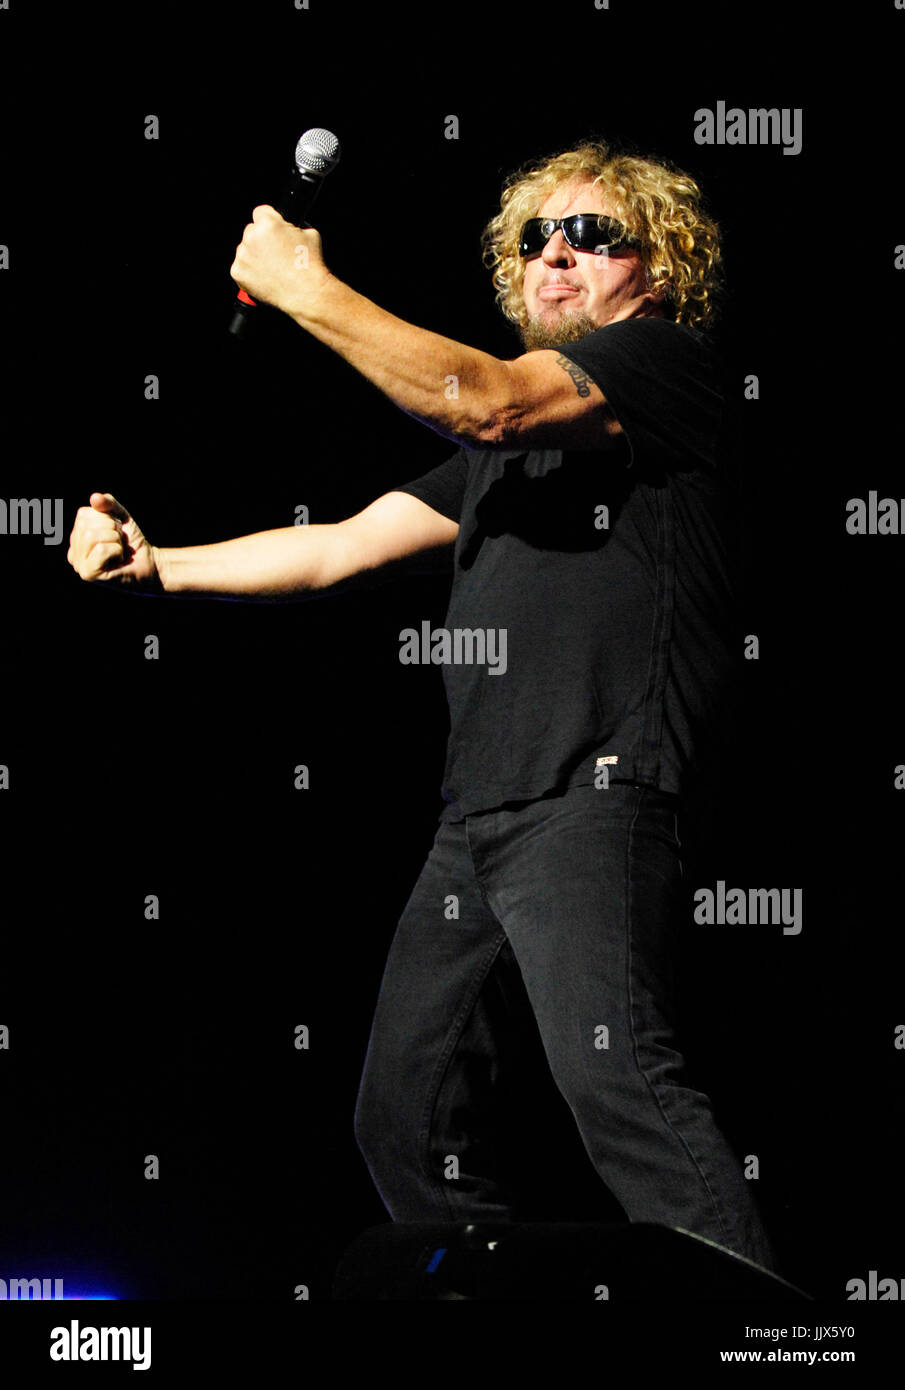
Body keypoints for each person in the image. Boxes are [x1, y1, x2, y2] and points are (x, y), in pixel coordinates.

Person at [67, 140, 775, 1271]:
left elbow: (488, 402)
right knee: (405, 1117)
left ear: (662, 266)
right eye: (538, 237)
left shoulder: (660, 366)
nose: (557, 253)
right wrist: (161, 567)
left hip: (594, 796)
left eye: (594, 235)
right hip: (476, 823)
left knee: (622, 1092)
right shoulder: (508, 452)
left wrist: (308, 291)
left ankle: (774, 1349)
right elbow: (339, 546)